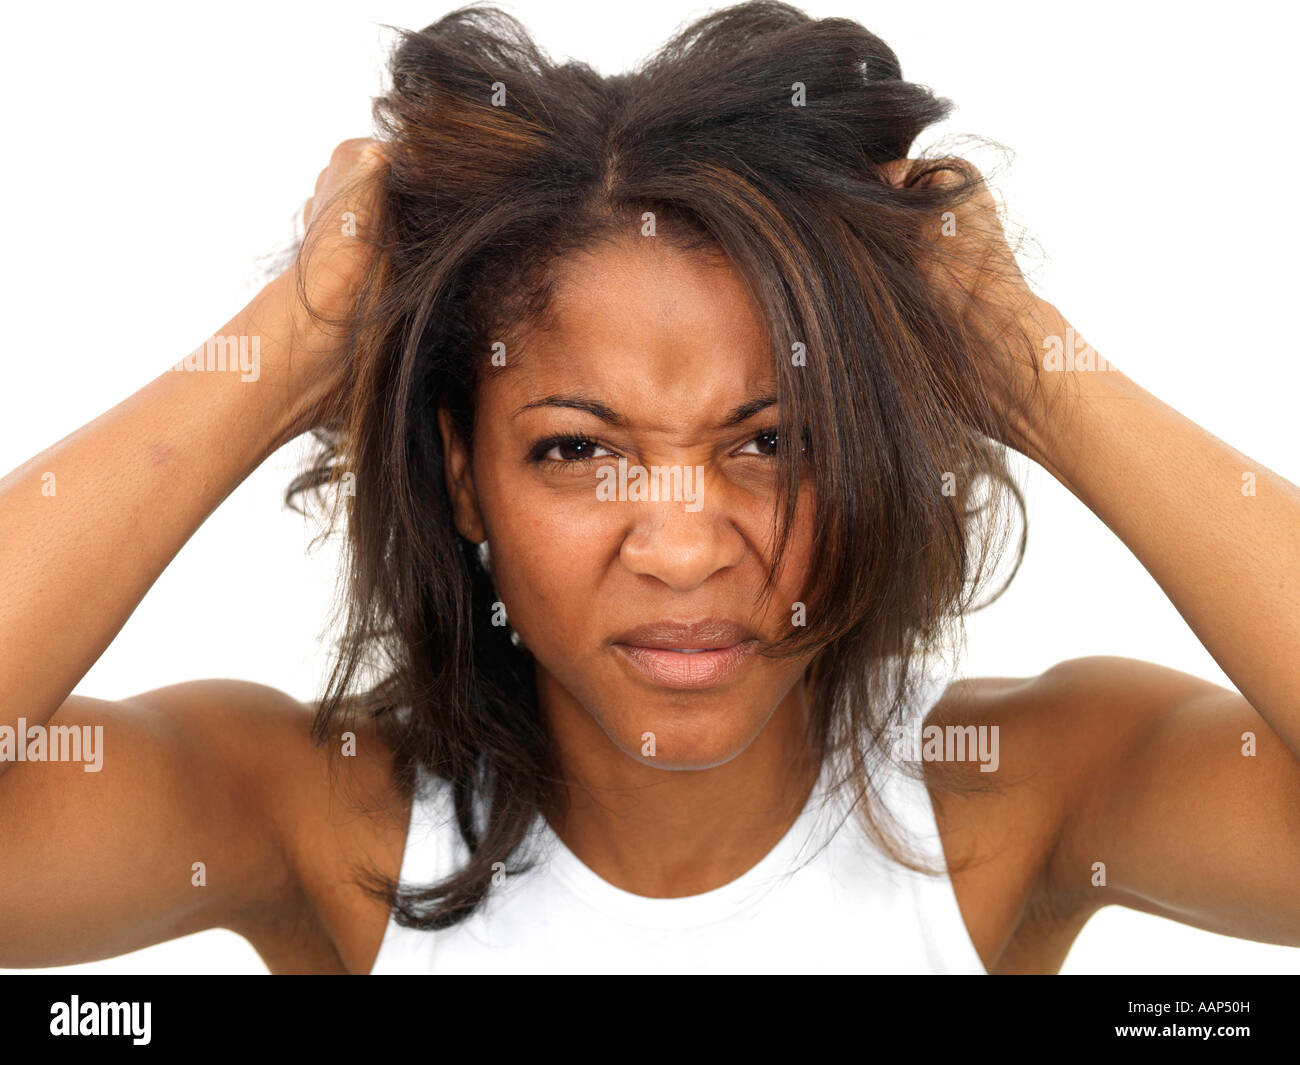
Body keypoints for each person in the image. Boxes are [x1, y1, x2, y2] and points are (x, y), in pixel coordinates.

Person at [1, 3, 1297, 974]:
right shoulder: (316, 819)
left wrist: (1027, 363)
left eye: (774, 440)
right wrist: (296, 342)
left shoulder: (1023, 796)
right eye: (575, 447)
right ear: (464, 481)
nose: (682, 551)